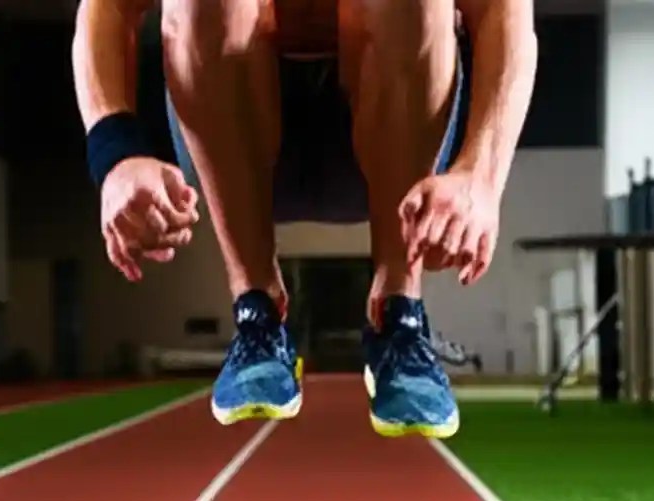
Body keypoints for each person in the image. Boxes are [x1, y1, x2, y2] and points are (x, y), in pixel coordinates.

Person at [73, 0, 537, 438]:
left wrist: (480, 176)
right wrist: (116, 156)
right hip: (229, 127)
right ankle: (256, 311)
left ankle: (399, 315)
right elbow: (106, 7)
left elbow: (503, 9)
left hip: (396, 118)